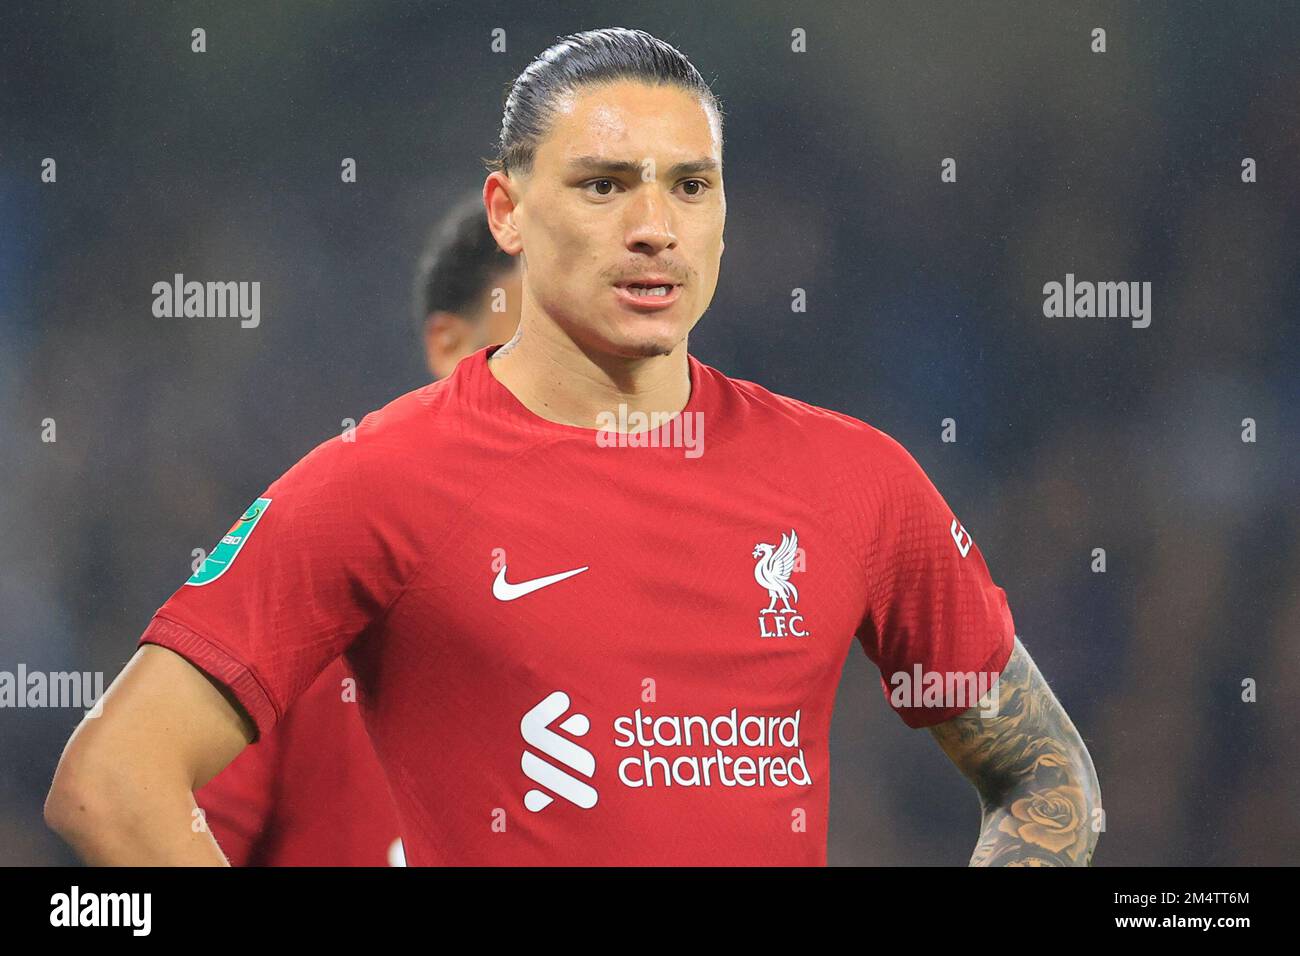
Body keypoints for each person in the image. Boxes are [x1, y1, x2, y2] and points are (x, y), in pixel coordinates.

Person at [46, 27, 1100, 866]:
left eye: (690, 185)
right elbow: (112, 780)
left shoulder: (854, 479)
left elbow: (1050, 782)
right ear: (506, 209)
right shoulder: (380, 480)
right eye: (605, 184)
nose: (656, 227)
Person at [177, 198, 521, 866]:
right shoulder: (315, 593)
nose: (561, 388)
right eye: (530, 346)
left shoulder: (666, 614)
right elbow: (130, 803)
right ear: (447, 345)